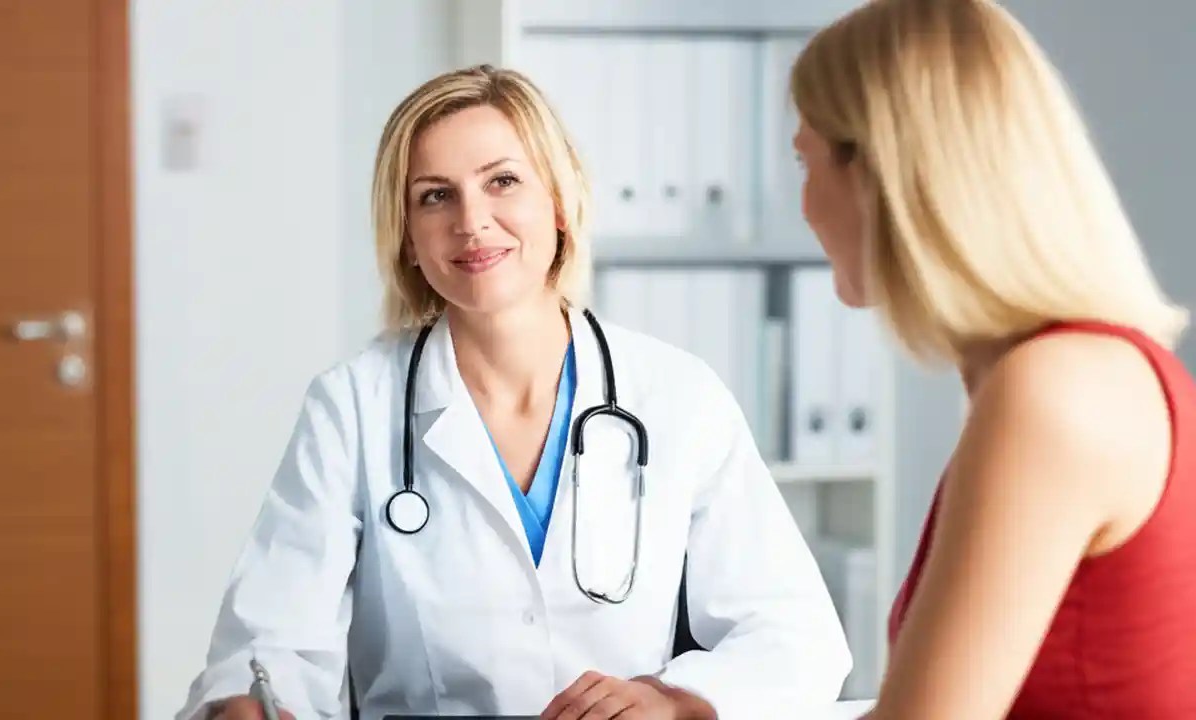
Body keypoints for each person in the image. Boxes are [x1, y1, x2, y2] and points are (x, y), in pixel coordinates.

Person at [176, 64, 851, 720]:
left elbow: (795, 638)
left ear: (558, 203)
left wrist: (677, 698)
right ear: (407, 237)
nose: (472, 222)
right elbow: (272, 643)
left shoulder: (678, 397)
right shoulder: (352, 407)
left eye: (502, 182)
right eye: (434, 196)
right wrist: (250, 703)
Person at [789, 0, 1196, 717]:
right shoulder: (1093, 369)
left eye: (807, 159)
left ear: (879, 174)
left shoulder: (1053, 391)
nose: (804, 204)